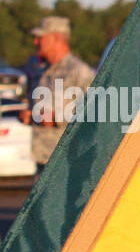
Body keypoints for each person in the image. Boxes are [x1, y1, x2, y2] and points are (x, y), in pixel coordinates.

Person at [29, 15, 94, 168]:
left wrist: (56, 117)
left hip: (68, 164)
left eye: (40, 38)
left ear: (56, 38)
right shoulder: (42, 72)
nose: (35, 42)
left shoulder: (79, 72)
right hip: (43, 160)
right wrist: (29, 114)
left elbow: (95, 111)